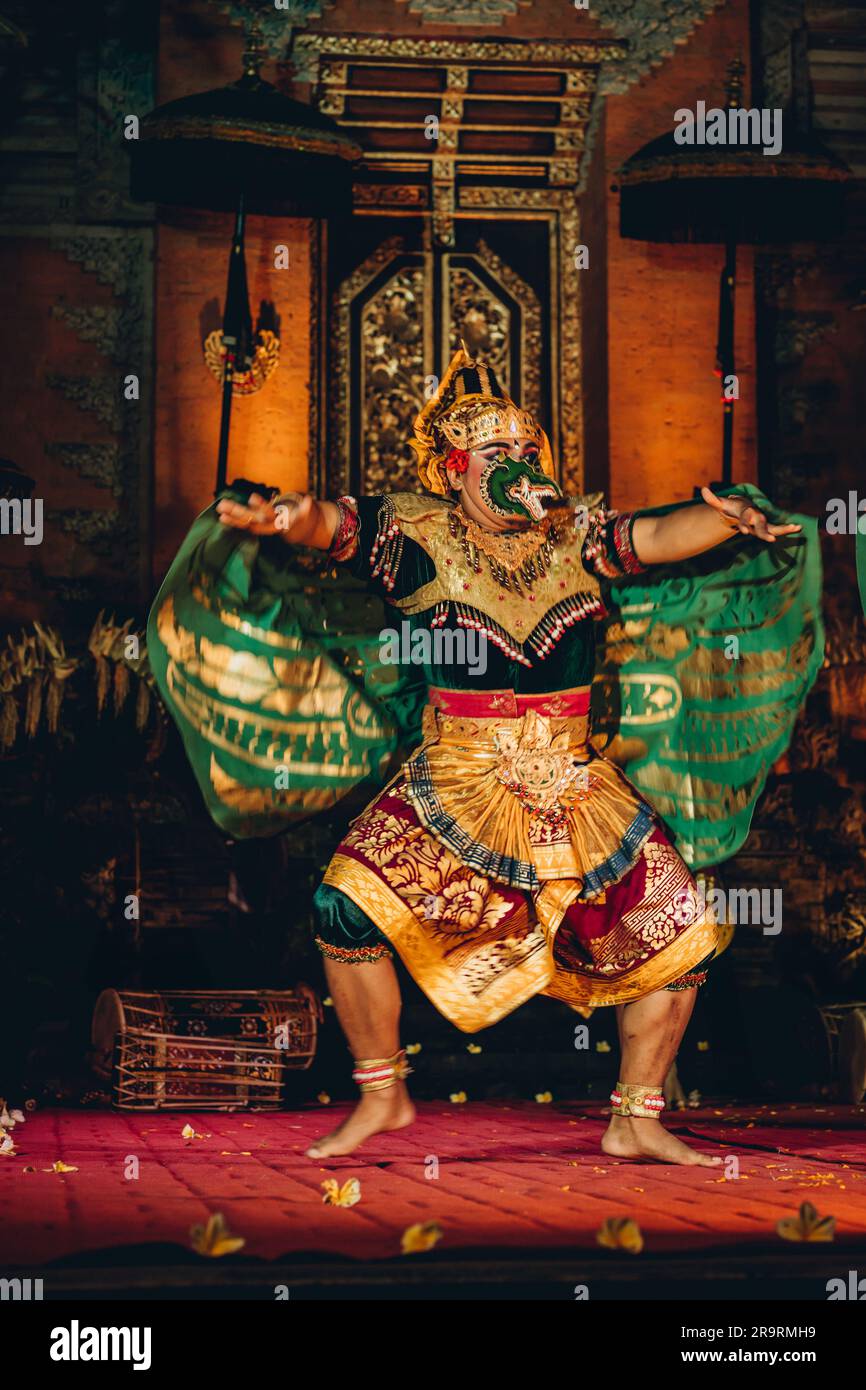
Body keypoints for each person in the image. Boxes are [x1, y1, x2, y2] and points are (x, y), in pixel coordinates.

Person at [211, 346, 803, 1166]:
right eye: (496, 456)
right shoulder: (410, 532)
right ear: (454, 471)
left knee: (683, 934)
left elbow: (661, 535)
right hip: (457, 775)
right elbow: (327, 524)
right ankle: (383, 1094)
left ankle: (636, 1115)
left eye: (528, 454)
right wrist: (284, 517)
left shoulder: (577, 534)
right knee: (342, 908)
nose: (520, 468)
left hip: (575, 780)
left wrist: (726, 516)